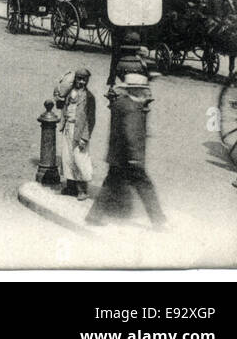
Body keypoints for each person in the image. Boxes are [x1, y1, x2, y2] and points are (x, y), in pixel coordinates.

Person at [86, 67, 167, 229]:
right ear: (137, 90)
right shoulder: (133, 109)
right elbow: (131, 134)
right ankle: (158, 220)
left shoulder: (119, 104)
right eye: (143, 90)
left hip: (116, 155)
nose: (145, 93)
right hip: (130, 158)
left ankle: (94, 216)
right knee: (145, 186)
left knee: (109, 185)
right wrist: (136, 157)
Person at [57, 67, 96, 200]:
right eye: (79, 79)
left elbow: (91, 119)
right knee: (67, 157)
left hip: (79, 131)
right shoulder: (69, 93)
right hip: (68, 127)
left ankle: (82, 189)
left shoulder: (89, 97)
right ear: (75, 80)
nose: (82, 82)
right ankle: (70, 186)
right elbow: (62, 105)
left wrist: (85, 137)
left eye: (84, 80)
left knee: (80, 159)